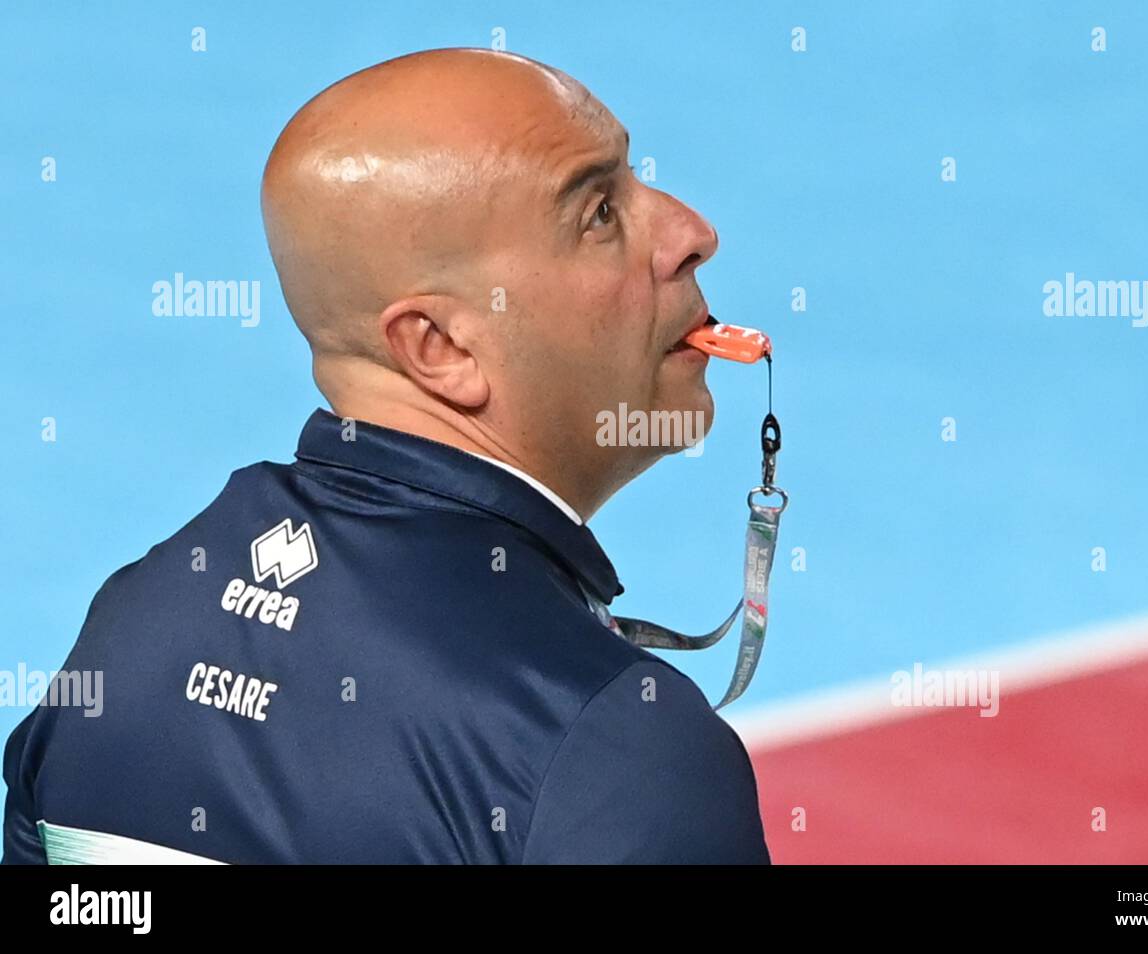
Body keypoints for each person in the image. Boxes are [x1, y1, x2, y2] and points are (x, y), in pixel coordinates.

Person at [2, 48, 769, 864]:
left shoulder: (125, 638)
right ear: (439, 347)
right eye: (599, 214)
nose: (691, 233)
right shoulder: (614, 750)